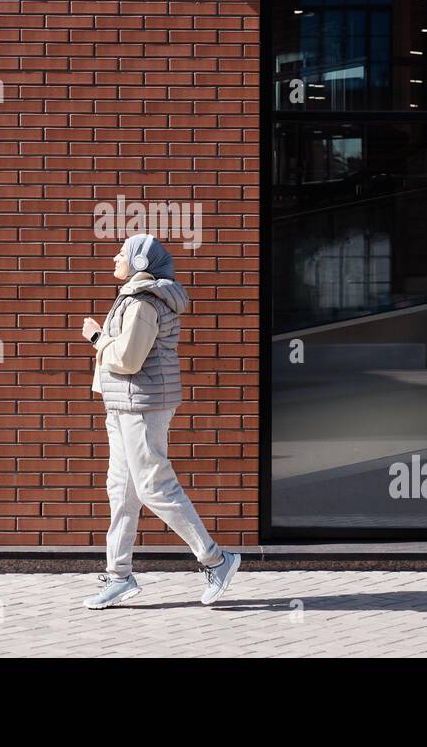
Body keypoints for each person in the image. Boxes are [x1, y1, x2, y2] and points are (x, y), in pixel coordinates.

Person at [79, 234, 241, 609]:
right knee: (121, 491)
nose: (113, 259)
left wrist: (97, 338)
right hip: (125, 405)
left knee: (155, 486)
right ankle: (119, 577)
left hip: (142, 405)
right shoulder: (135, 298)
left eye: (122, 253)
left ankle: (216, 560)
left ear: (139, 262)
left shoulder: (141, 303)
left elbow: (128, 359)